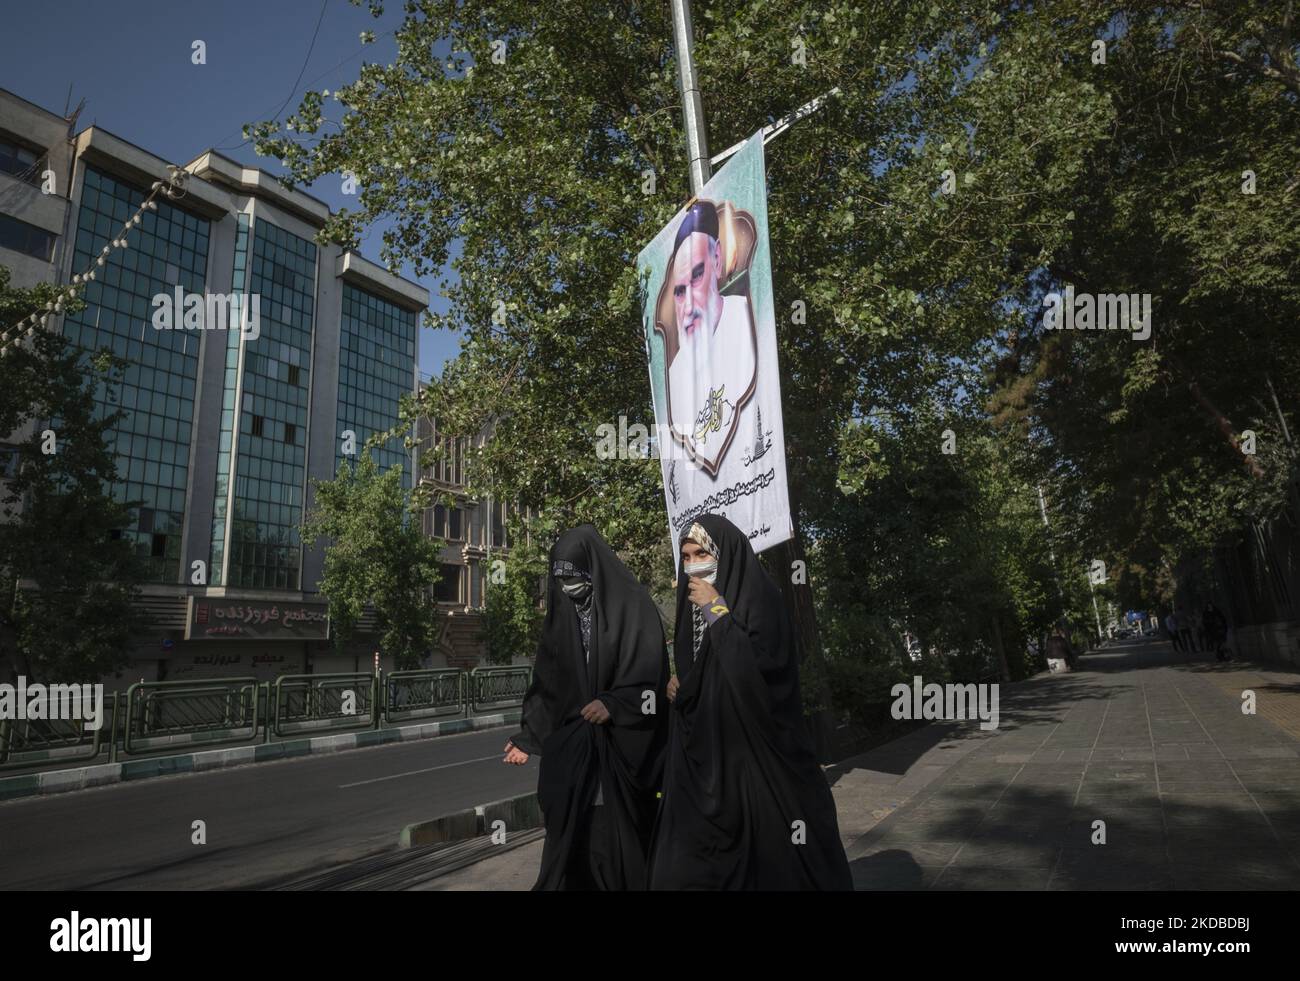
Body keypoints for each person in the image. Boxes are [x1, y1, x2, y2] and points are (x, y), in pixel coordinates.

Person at [648, 514, 853, 890]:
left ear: (724, 555)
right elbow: (704, 673)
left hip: (756, 759)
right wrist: (683, 685)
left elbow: (762, 676)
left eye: (702, 553)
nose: (694, 563)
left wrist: (718, 612)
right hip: (704, 763)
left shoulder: (761, 600)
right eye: (687, 555)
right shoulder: (689, 608)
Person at [502, 524, 669, 890]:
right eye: (559, 577)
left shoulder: (633, 608)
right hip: (576, 754)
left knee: (611, 845)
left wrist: (614, 704)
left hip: (619, 754)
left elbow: (650, 683)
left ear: (592, 568)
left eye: (574, 576)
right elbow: (549, 683)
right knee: (572, 845)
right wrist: (528, 738)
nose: (567, 585)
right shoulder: (564, 614)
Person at [665, 200, 757, 462]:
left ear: (717, 260)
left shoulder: (750, 322)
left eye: (696, 276)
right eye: (680, 292)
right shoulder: (675, 375)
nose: (689, 305)